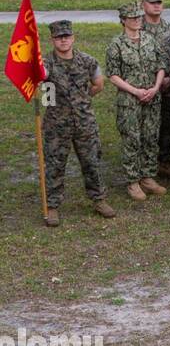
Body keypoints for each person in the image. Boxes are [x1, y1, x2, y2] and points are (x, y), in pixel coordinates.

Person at [41, 21, 115, 225]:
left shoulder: (87, 61)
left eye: (66, 36)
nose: (63, 40)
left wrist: (82, 100)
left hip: (84, 122)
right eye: (58, 37)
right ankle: (53, 205)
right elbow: (42, 75)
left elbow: (98, 84)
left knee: (91, 162)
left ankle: (99, 199)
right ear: (52, 40)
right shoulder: (46, 62)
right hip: (56, 124)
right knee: (55, 164)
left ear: (73, 38)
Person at [105, 1, 167, 202]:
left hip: (152, 97)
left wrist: (156, 87)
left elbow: (161, 65)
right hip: (129, 100)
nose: (137, 20)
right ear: (123, 21)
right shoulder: (116, 44)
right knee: (132, 139)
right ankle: (132, 181)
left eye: (139, 17)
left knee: (150, 137)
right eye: (133, 18)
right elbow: (113, 74)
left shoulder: (150, 40)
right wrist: (135, 91)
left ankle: (148, 177)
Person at [139, 0, 170, 180]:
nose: (157, 6)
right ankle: (144, 165)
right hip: (145, 85)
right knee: (146, 126)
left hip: (167, 85)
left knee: (168, 123)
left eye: (159, 2)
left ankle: (165, 163)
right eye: (152, 3)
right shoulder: (137, 28)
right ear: (143, 5)